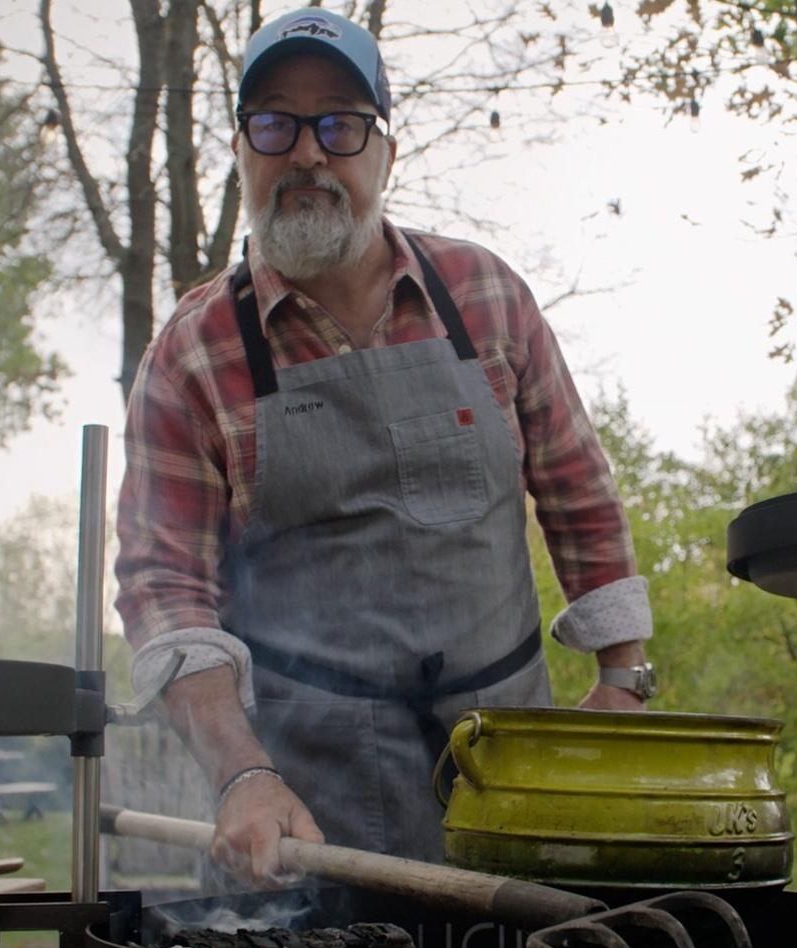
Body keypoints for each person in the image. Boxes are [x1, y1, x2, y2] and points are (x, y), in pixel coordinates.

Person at [114, 8, 655, 885]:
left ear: (386, 154)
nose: (307, 153)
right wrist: (241, 774)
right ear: (242, 151)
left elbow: (578, 493)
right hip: (302, 815)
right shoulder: (192, 353)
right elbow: (163, 588)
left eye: (340, 124)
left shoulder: (487, 296)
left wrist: (624, 679)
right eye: (275, 124)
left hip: (509, 782)